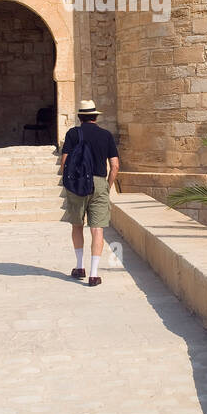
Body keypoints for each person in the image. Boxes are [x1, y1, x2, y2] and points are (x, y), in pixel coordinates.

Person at [59, 99, 119, 287]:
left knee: (77, 225)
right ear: (95, 116)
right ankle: (94, 274)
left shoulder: (72, 134)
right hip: (99, 183)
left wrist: (68, 183)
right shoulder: (106, 135)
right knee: (97, 228)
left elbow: (64, 162)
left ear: (80, 117)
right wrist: (106, 186)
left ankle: (79, 267)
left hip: (77, 184)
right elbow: (115, 166)